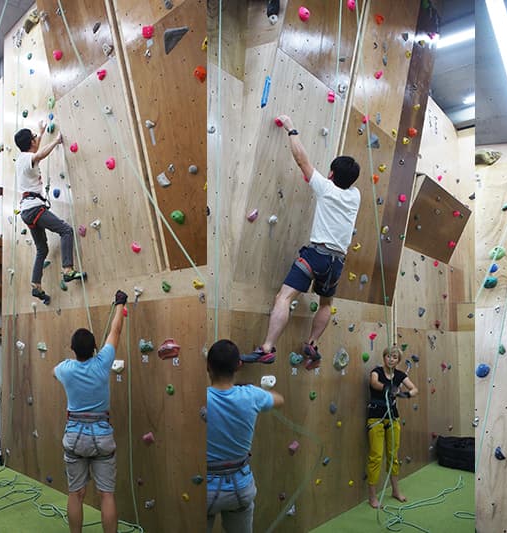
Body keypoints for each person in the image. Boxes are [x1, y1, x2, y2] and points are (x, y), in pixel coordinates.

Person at [241, 114, 361, 368]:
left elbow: (301, 159)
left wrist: (291, 127)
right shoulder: (355, 196)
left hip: (316, 255)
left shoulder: (325, 188)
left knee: (284, 298)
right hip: (337, 262)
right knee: (326, 303)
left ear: (330, 174)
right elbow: (341, 180)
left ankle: (267, 348)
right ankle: (312, 343)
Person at [53, 290, 127, 533]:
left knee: (76, 493)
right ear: (95, 347)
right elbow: (115, 332)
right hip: (101, 436)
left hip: (74, 437)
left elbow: (55, 372)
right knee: (107, 495)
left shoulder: (65, 369)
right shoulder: (102, 361)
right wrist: (120, 305)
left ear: (72, 348)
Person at [206, 339, 284, 533]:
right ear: (239, 366)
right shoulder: (251, 395)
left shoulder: (200, 396)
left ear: (208, 366)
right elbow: (279, 400)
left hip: (204, 489)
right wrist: (249, 390)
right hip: (239, 488)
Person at [15, 120, 86, 306]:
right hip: (34, 208)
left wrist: (40, 130)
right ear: (30, 142)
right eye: (33, 138)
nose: (35, 140)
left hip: (27, 211)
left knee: (42, 249)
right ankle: (68, 270)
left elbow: (36, 149)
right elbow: (40, 154)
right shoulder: (26, 159)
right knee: (66, 230)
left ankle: (36, 285)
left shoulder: (22, 158)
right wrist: (56, 141)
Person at [366, 346, 418, 508]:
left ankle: (395, 491)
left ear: (398, 360)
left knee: (393, 456)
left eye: (394, 357)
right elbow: (374, 383)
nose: (391, 359)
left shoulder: (401, 375)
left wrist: (405, 394)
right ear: (384, 357)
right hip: (376, 418)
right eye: (388, 356)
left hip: (393, 417)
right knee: (376, 456)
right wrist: (388, 388)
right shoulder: (377, 371)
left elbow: (415, 389)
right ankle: (372, 497)